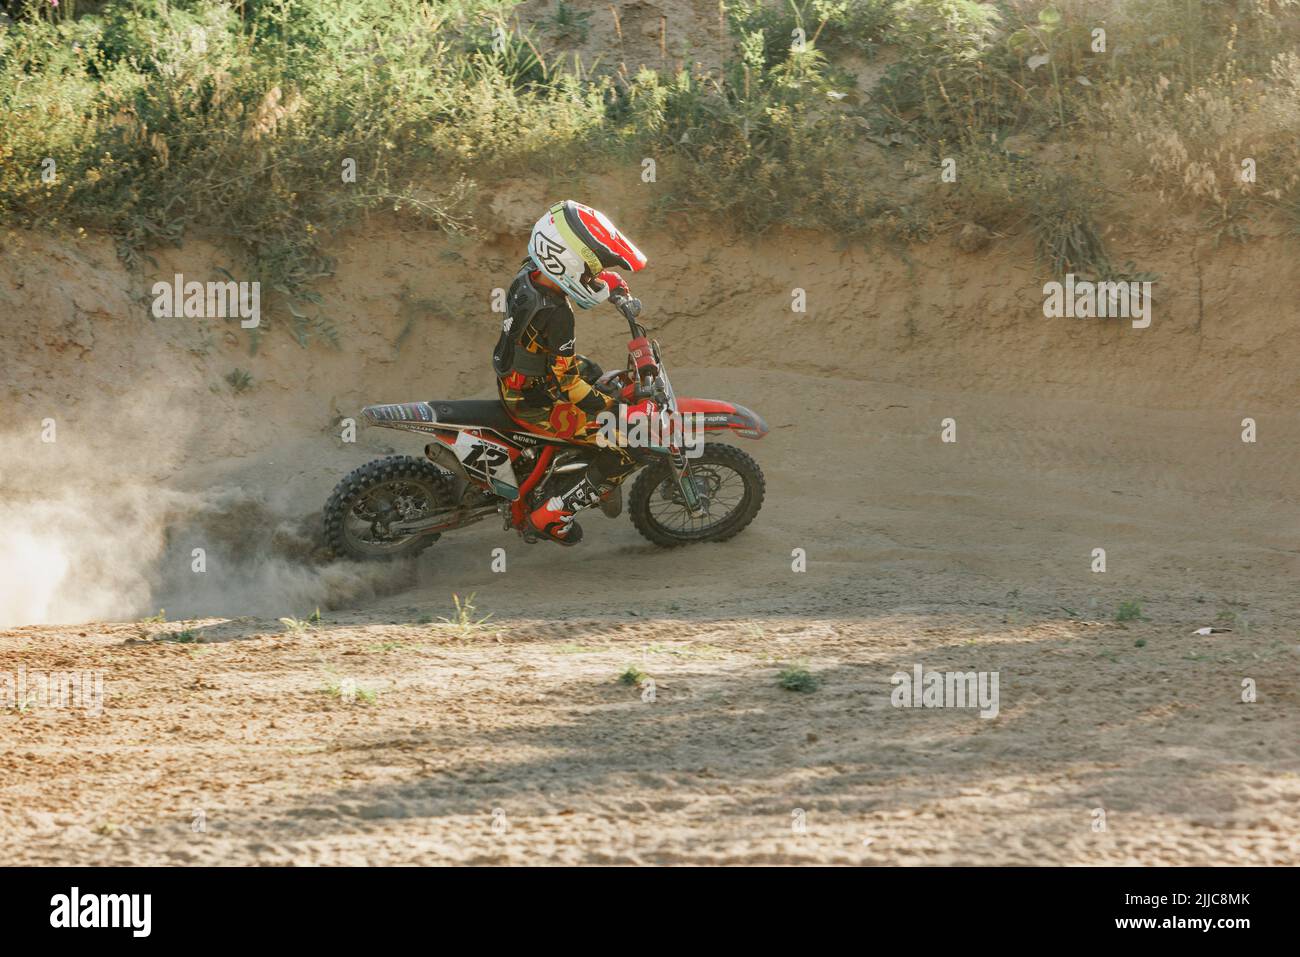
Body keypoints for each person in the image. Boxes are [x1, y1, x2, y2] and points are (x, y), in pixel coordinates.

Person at [492, 201, 652, 545]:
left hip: (519, 377)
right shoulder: (557, 316)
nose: (593, 274)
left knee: (594, 370)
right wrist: (616, 411)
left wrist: (609, 283)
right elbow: (569, 385)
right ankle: (554, 515)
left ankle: (575, 466)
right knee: (629, 443)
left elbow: (573, 280)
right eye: (590, 268)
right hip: (536, 403)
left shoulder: (529, 273)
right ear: (567, 264)